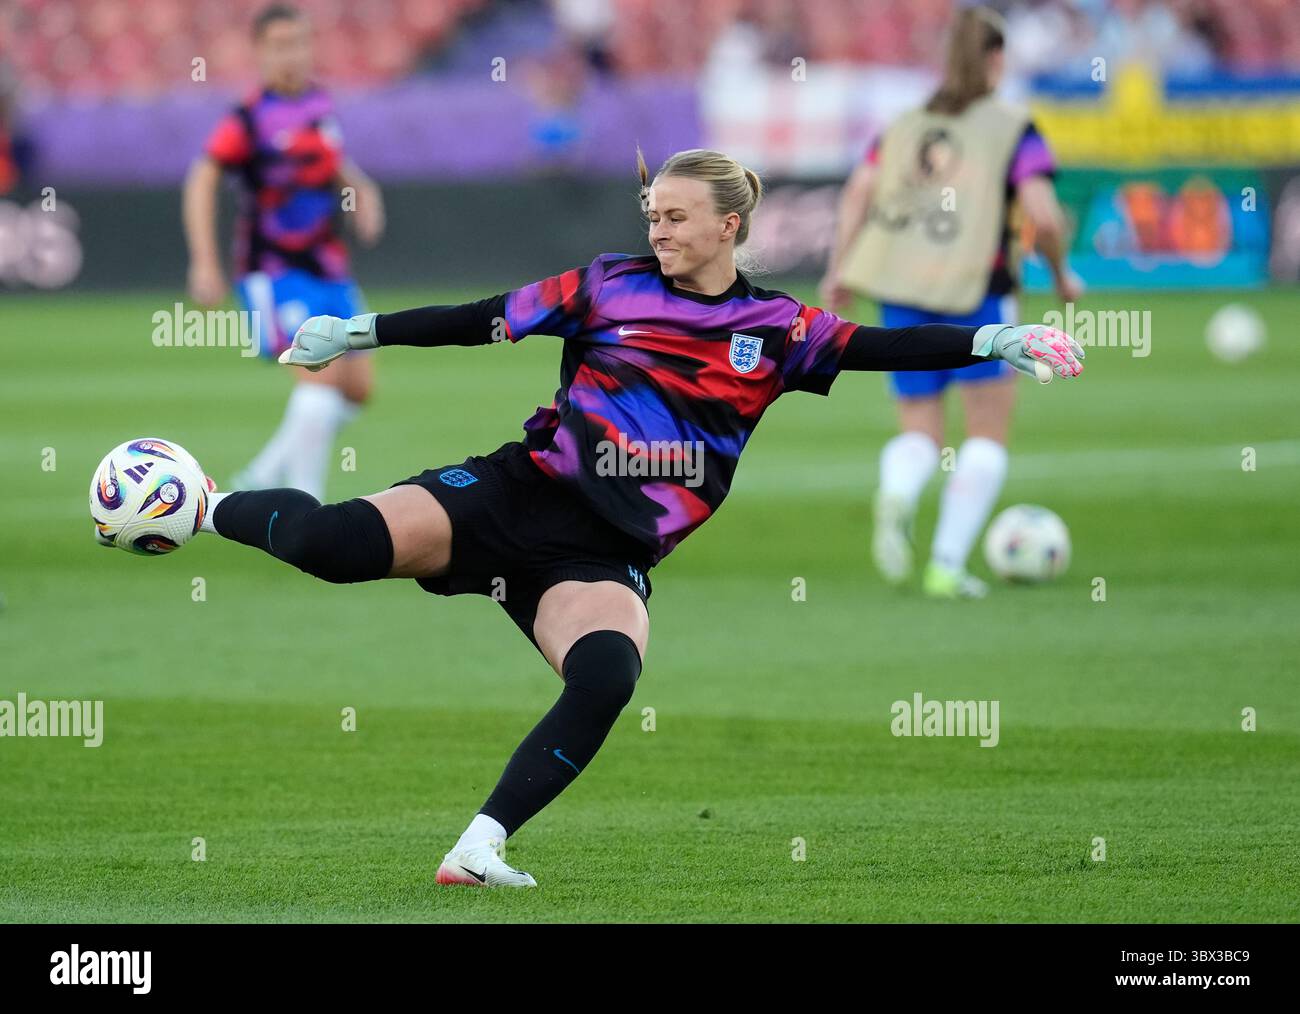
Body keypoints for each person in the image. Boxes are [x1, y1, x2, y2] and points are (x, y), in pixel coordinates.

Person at [180, 148, 1081, 887]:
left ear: (730, 225)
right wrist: (358, 330)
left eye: (676, 217)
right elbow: (487, 319)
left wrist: (994, 339)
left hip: (603, 553)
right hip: (515, 495)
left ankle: (479, 845)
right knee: (325, 545)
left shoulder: (777, 327)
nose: (658, 229)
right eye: (652, 214)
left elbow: (883, 345)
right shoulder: (607, 284)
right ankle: (198, 499)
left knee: (607, 673)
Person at [820, 5, 1080, 599]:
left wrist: (841, 269)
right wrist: (1063, 273)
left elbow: (858, 191)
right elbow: (1041, 211)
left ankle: (901, 490)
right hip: (976, 289)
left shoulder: (905, 122)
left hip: (901, 287)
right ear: (996, 59)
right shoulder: (1013, 126)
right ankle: (945, 565)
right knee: (986, 431)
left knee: (919, 429)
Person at [182, 2, 384, 500]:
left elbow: (333, 162)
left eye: (297, 43)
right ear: (260, 53)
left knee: (358, 389)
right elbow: (201, 180)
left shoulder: (319, 104)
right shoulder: (247, 120)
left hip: (329, 267)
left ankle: (262, 474)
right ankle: (304, 507)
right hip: (272, 271)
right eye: (278, 46)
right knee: (320, 379)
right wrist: (204, 261)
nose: (290, 55)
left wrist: (363, 191)